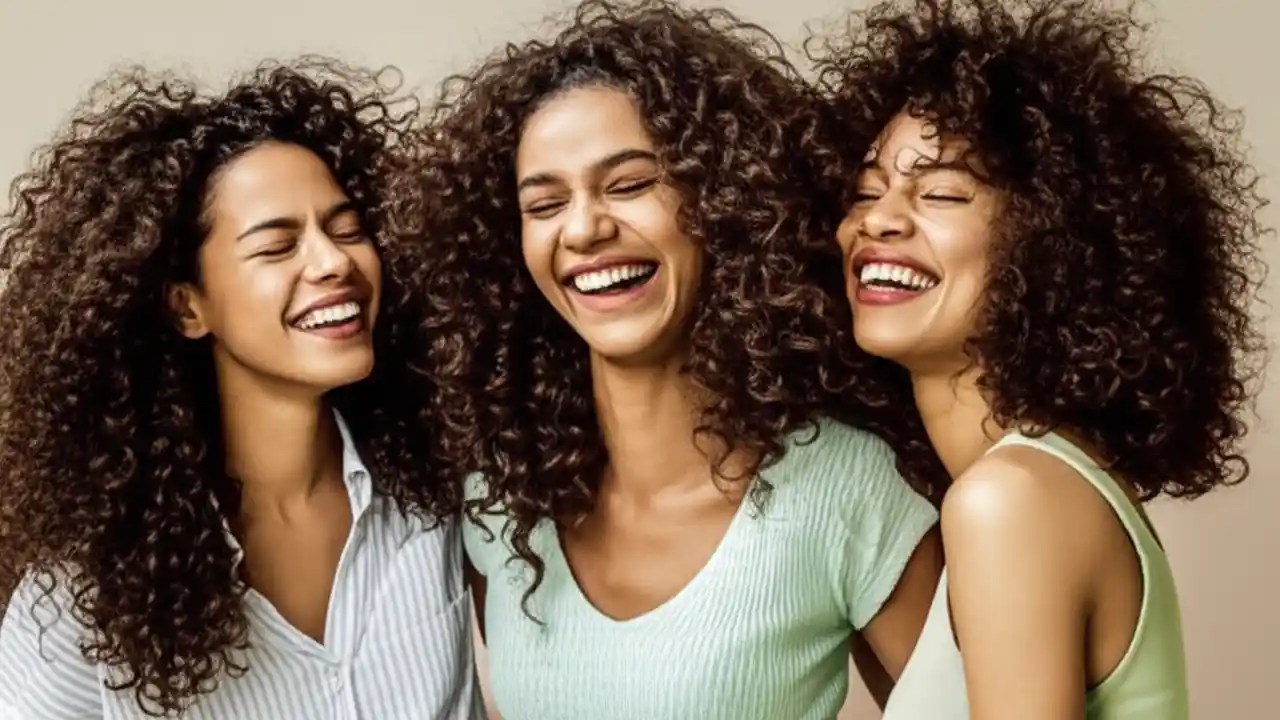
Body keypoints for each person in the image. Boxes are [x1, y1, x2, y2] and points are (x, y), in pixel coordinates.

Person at [400, 2, 946, 718]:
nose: (586, 227)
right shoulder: (500, 502)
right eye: (544, 204)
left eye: (629, 184)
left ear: (722, 203)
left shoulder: (847, 490)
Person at [816, 1, 1267, 717]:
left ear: (1053, 242)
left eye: (939, 192)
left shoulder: (1010, 501)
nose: (877, 218)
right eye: (866, 190)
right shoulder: (1034, 484)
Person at [0, 61, 481, 718]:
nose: (333, 261)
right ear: (188, 307)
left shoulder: (440, 492)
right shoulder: (81, 598)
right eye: (277, 246)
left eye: (345, 229)